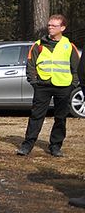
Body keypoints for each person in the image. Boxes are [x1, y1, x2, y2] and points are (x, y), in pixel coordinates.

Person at [18, 14, 80, 157]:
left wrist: (72, 85)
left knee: (60, 117)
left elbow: (76, 68)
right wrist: (34, 82)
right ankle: (27, 145)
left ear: (62, 28)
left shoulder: (69, 46)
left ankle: (55, 146)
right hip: (42, 86)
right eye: (49, 25)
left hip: (64, 87)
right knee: (36, 116)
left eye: (54, 25)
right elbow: (30, 65)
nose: (50, 28)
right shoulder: (38, 45)